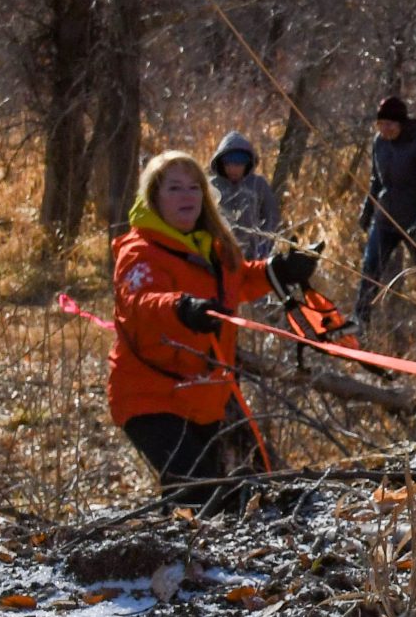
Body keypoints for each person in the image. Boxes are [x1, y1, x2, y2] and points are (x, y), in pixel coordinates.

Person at [107, 151, 316, 505]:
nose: (187, 196)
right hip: (149, 397)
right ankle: (171, 560)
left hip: (205, 397)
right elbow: (139, 302)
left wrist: (276, 269)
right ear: (154, 198)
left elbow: (238, 281)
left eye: (193, 187)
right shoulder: (140, 251)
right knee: (199, 495)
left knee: (229, 496)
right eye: (174, 188)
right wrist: (181, 306)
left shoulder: (213, 247)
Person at [355, 96, 416, 327]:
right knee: (370, 269)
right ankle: (360, 323)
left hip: (415, 222)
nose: (385, 130)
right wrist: (367, 210)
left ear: (402, 123)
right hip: (385, 220)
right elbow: (376, 180)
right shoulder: (379, 143)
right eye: (381, 125)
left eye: (390, 125)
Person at [207, 131, 281, 259]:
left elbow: (272, 217)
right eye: (228, 163)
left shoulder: (258, 185)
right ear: (221, 163)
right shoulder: (211, 186)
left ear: (247, 163)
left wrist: (264, 244)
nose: (233, 169)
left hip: (251, 255)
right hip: (218, 254)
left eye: (239, 163)